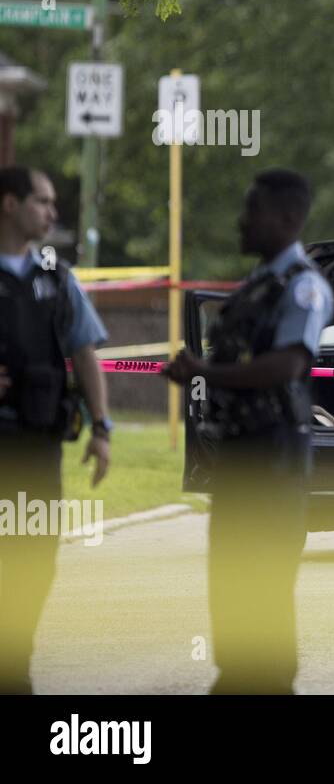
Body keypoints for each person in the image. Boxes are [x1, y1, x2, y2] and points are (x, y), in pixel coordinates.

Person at [162, 169, 333, 694]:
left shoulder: (303, 287)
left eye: (252, 210)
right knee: (232, 593)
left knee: (262, 598)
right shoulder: (258, 286)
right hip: (241, 459)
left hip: (273, 461)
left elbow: (284, 365)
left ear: (286, 218)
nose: (242, 220)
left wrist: (204, 374)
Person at [0, 166, 111, 694]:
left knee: (34, 557)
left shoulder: (56, 276)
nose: (52, 212)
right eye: (42, 201)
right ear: (9, 204)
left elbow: (85, 350)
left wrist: (102, 427)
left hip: (38, 445)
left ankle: (14, 662)